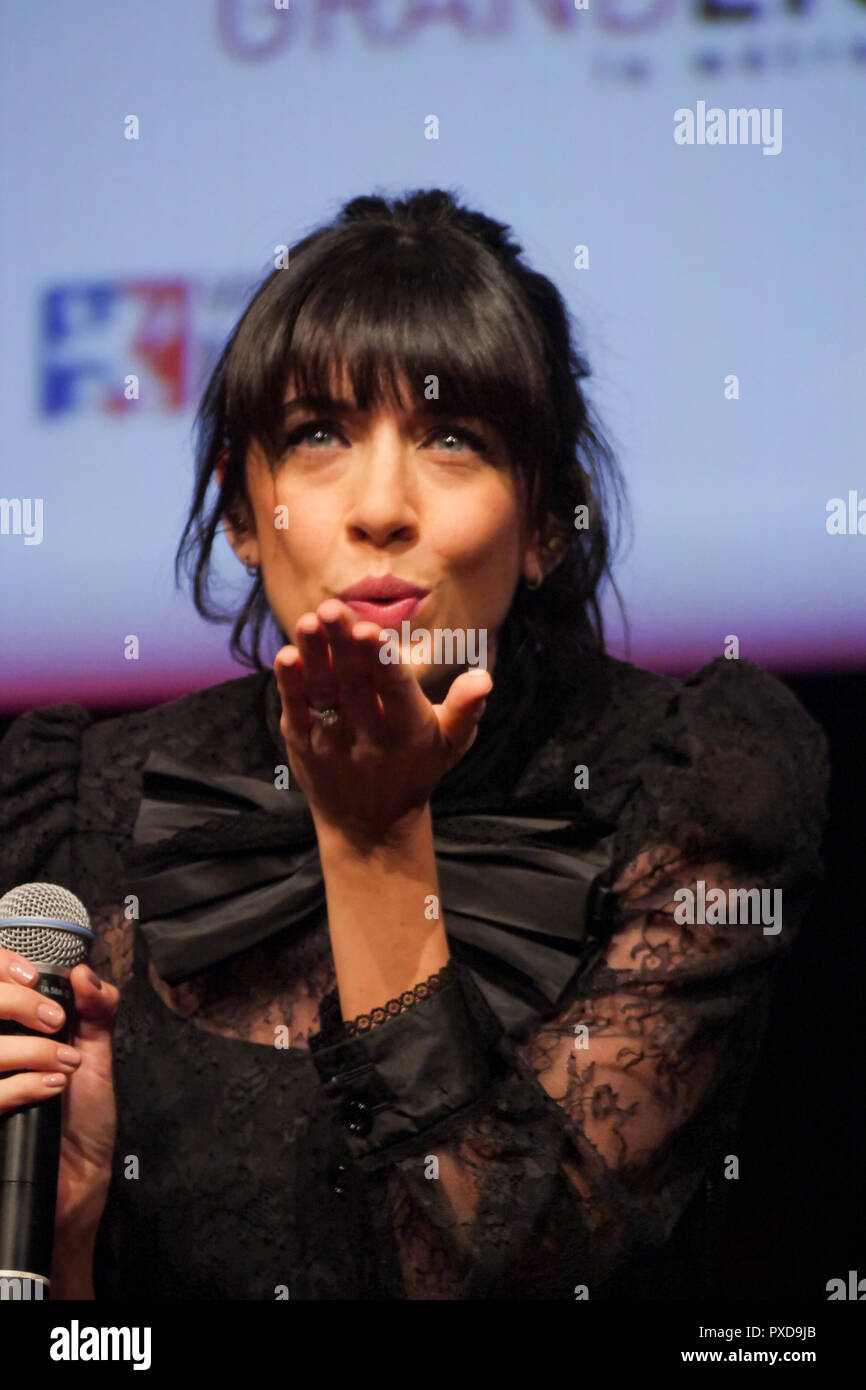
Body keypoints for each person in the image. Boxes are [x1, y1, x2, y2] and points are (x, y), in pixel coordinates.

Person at [0, 188, 828, 1300]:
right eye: (316, 435)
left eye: (451, 438)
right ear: (241, 516)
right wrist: (63, 1252)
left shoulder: (694, 789)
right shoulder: (74, 810)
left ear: (542, 523)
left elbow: (517, 1281)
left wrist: (375, 837)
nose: (379, 505)